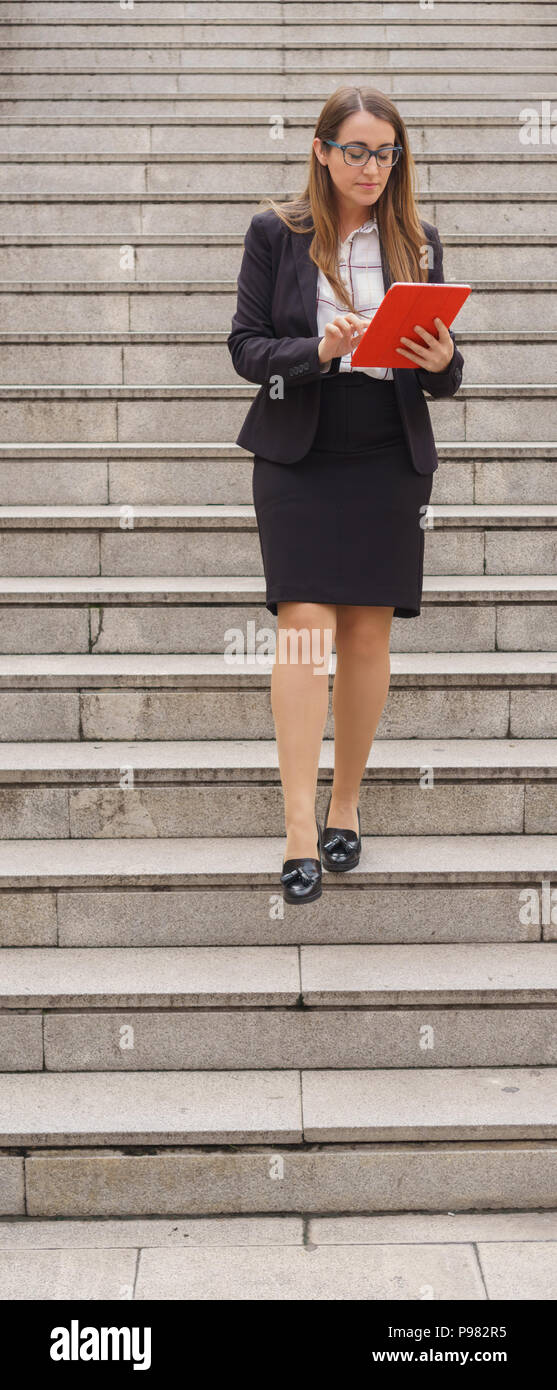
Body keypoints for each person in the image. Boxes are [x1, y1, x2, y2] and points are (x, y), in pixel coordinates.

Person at [227, 85, 464, 905]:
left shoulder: (416, 240)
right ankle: (298, 828)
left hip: (385, 452)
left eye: (386, 152)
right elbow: (246, 347)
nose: (372, 166)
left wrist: (441, 362)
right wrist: (314, 349)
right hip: (301, 447)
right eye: (357, 150)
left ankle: (345, 805)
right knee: (302, 628)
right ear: (322, 151)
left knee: (366, 636)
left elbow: (447, 370)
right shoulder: (276, 233)